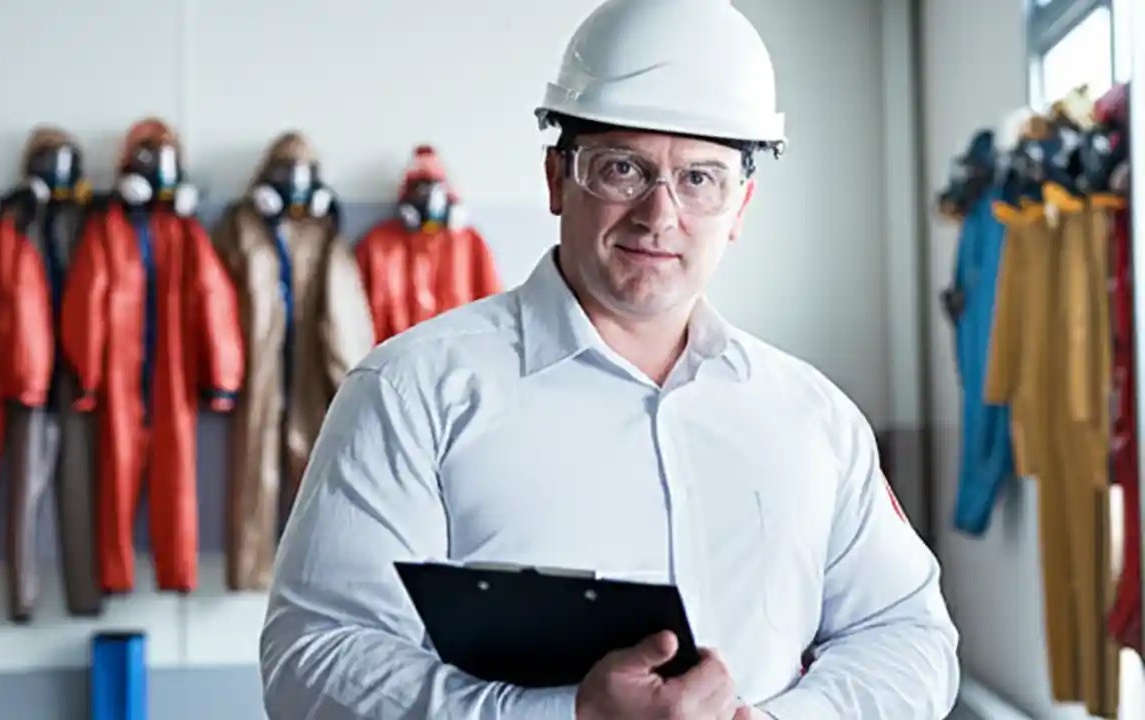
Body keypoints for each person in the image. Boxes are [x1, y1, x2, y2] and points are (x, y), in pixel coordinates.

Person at [259, 0, 961, 718]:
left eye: (699, 178)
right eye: (622, 168)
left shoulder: (814, 418)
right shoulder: (411, 394)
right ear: (557, 179)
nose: (659, 216)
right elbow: (316, 659)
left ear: (740, 205)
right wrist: (568, 715)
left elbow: (907, 634)